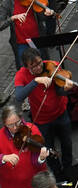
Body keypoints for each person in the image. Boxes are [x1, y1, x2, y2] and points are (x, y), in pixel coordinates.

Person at [12, 48, 73, 176]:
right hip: (41, 120)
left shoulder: (52, 65)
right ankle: (57, 172)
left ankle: (68, 168)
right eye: (33, 67)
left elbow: (59, 92)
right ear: (26, 67)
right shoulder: (21, 75)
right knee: (47, 148)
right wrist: (35, 81)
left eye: (39, 63)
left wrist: (65, 89)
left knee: (66, 142)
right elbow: (18, 96)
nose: (39, 68)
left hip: (61, 113)